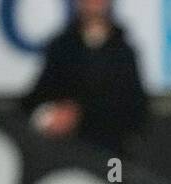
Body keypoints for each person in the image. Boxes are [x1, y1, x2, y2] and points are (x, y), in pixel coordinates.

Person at [20, 0, 150, 156]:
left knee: (115, 176)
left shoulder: (123, 52)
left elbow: (137, 110)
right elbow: (35, 100)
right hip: (68, 155)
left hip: (112, 155)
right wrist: (48, 117)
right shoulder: (62, 48)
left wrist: (80, 115)